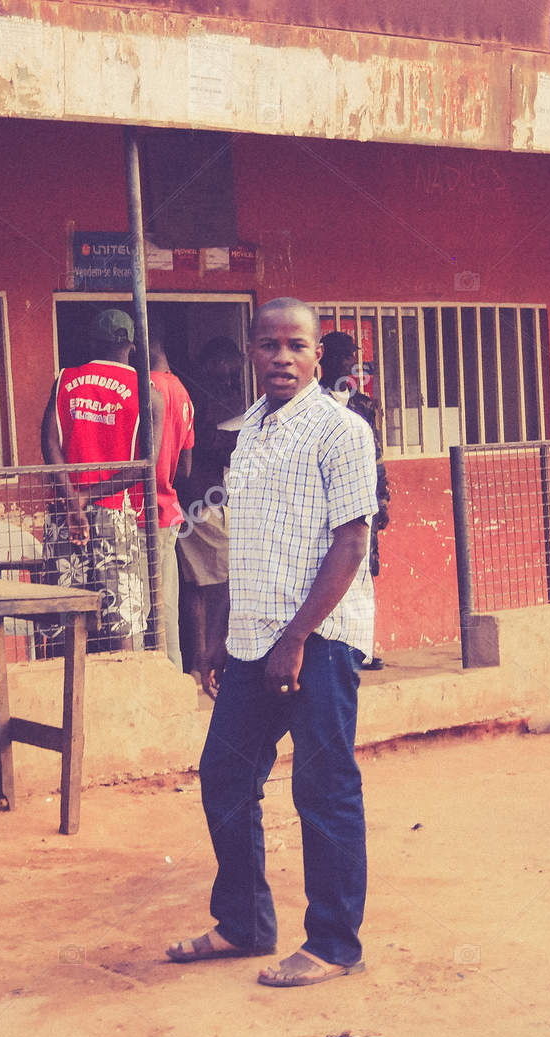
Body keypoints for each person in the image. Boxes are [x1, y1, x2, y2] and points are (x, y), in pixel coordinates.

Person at [166, 298, 378, 988]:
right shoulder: (248, 431)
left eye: (296, 345)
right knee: (225, 774)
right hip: (255, 635)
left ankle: (335, 942)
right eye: (268, 344)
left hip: (320, 636)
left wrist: (296, 637)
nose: (281, 357)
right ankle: (245, 922)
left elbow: (352, 542)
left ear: (318, 354)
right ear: (252, 352)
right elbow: (248, 543)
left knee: (324, 785)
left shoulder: (341, 431)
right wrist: (224, 632)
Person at [40, 309, 164, 652]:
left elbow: (49, 442)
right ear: (133, 346)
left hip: (64, 513)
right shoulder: (147, 393)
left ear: (92, 341)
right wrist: (89, 497)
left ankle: (62, 694)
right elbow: (144, 465)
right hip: (115, 513)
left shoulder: (66, 379)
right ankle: (125, 695)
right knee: (120, 611)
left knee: (65, 607)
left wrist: (73, 499)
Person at [319, 331, 390, 668]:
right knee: (330, 570)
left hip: (364, 501)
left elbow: (377, 457)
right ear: (325, 357)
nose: (349, 362)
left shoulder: (363, 404)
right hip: (326, 503)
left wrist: (383, 499)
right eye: (344, 355)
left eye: (351, 355)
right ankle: (336, 647)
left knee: (364, 573)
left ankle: (363, 649)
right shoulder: (313, 404)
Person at [175, 336, 242, 685]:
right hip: (202, 501)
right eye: (230, 370)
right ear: (216, 363)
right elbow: (204, 444)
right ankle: (209, 661)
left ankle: (199, 662)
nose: (232, 379)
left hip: (192, 500)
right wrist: (246, 441)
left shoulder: (192, 390)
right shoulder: (200, 393)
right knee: (227, 581)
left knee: (195, 585)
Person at [149, 335, 195, 671]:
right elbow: (187, 467)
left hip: (137, 511)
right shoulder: (182, 392)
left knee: (138, 608)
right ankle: (174, 675)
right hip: (169, 509)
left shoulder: (141, 386)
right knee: (168, 607)